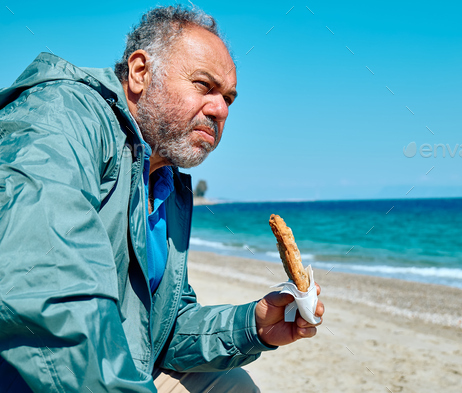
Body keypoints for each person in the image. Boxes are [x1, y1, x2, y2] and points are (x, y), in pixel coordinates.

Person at [0, 5, 324, 392]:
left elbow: (164, 330)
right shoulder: (62, 118)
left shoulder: (166, 185)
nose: (220, 109)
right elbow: (46, 295)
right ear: (140, 73)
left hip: (124, 365)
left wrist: (253, 325)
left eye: (229, 99)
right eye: (204, 86)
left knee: (231, 384)